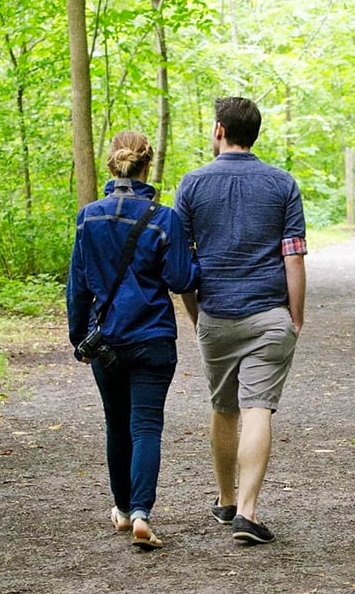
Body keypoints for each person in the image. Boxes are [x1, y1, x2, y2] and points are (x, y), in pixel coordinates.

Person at [175, 96, 307, 545]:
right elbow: (294, 258)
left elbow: (180, 261)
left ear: (218, 130)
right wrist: (296, 315)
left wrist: (196, 314)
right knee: (257, 409)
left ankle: (227, 499)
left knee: (224, 407)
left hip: (215, 314)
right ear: (255, 133)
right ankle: (248, 513)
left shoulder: (191, 185)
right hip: (269, 314)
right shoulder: (282, 184)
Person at [67, 130, 199, 550]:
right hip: (153, 337)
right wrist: (197, 262)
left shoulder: (89, 217)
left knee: (116, 425)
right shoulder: (165, 219)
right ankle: (143, 513)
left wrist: (79, 337)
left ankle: (123, 510)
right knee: (146, 427)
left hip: (105, 340)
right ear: (148, 165)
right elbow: (180, 279)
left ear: (112, 162)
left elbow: (77, 287)